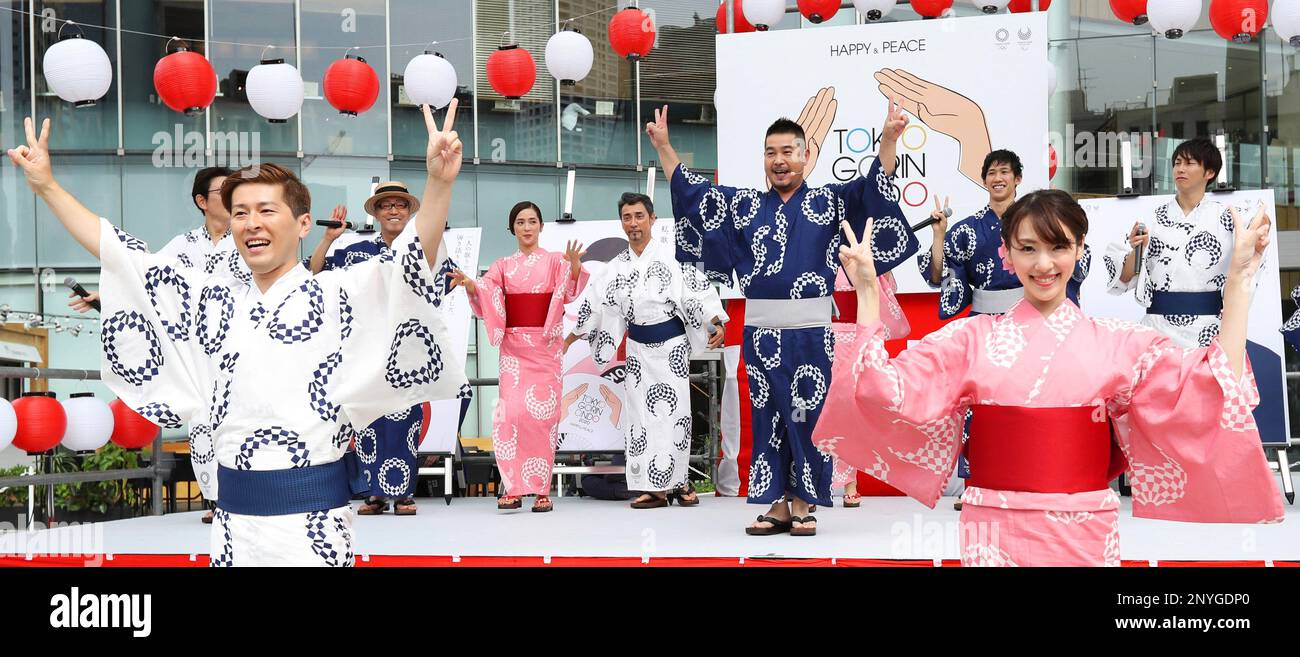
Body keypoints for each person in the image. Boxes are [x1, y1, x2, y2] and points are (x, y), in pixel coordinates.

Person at [8, 101, 468, 565]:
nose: (251, 223)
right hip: (233, 529)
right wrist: (47, 186)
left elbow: (409, 262)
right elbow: (120, 253)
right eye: (241, 212)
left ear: (303, 223)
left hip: (313, 527)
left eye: (267, 209)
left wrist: (439, 184)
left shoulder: (338, 293)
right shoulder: (211, 300)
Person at [817, 190, 1283, 566]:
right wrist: (867, 294)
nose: (1044, 264)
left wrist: (1238, 282)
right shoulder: (969, 338)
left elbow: (1208, 382)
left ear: (1080, 250)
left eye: (1059, 246)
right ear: (1006, 255)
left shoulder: (1120, 341)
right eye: (1028, 248)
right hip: (992, 524)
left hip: (1084, 522)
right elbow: (884, 390)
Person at [649, 89, 920, 536]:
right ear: (763, 159)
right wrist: (663, 146)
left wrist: (888, 140)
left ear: (806, 155)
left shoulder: (830, 201)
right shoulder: (744, 205)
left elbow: (874, 190)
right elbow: (693, 195)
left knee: (808, 416)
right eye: (771, 152)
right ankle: (776, 502)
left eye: (788, 152)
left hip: (812, 329)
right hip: (761, 331)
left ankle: (802, 501)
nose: (780, 160)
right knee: (768, 416)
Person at [68, 165, 249, 525]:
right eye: (223, 191)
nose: (231, 198)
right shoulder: (182, 246)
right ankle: (217, 502)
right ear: (202, 201)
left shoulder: (248, 237)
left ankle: (244, 497)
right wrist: (104, 296)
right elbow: (145, 278)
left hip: (240, 348)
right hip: (195, 357)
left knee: (241, 422)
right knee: (201, 424)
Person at [917, 150, 1092, 509]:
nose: (998, 178)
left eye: (1005, 172)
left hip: (1037, 322)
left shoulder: (1037, 224)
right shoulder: (967, 229)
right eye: (991, 172)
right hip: (988, 327)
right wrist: (939, 236)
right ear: (984, 180)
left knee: (1039, 400)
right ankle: (978, 481)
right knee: (981, 405)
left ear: (1018, 178)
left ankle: (1040, 474)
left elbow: (1077, 263)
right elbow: (937, 276)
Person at [309, 181, 468, 516]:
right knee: (370, 420)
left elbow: (441, 286)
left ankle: (404, 494)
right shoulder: (356, 252)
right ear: (377, 213)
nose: (394, 210)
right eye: (386, 205)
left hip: (405, 347)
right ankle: (374, 495)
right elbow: (316, 273)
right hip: (366, 346)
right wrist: (328, 239)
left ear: (410, 211)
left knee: (404, 418)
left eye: (400, 205)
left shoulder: (423, 251)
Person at [565, 192, 727, 508]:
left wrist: (715, 321)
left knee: (675, 415)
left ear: (652, 219)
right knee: (641, 418)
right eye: (627, 217)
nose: (634, 223)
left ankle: (679, 484)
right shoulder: (614, 268)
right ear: (622, 222)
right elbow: (595, 305)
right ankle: (653, 488)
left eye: (639, 216)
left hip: (672, 347)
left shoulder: (672, 261)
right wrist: (569, 338)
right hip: (638, 348)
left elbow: (698, 294)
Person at [447, 202, 588, 513]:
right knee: (510, 417)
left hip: (545, 347)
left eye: (532, 221)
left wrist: (575, 265)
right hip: (513, 347)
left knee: (542, 419)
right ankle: (512, 487)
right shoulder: (502, 265)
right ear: (512, 228)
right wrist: (470, 283)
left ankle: (541, 491)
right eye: (521, 222)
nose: (526, 227)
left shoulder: (554, 261)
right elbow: (486, 289)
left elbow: (571, 288)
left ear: (540, 226)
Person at [1105, 137, 1259, 348]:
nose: (1180, 169)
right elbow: (1121, 279)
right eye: (1177, 163)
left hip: (1210, 330)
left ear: (1209, 173)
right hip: (1158, 329)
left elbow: (1249, 265)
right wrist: (1138, 248)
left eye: (1189, 163)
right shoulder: (1150, 219)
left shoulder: (1229, 219)